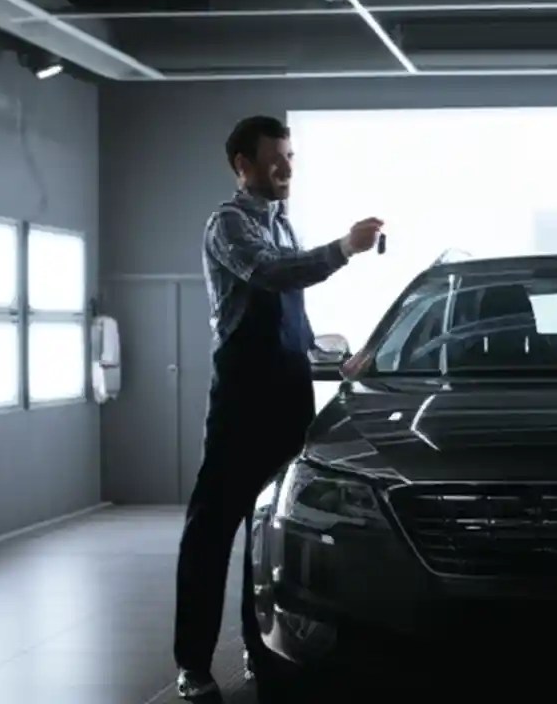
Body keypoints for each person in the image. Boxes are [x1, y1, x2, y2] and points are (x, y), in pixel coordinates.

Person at [174, 115, 384, 699]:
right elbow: (271, 276)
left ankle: (259, 648)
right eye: (275, 158)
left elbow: (297, 318)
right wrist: (344, 248)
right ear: (243, 164)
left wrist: (337, 362)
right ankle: (192, 664)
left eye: (290, 156)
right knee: (212, 534)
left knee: (267, 535)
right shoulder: (229, 224)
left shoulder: (284, 226)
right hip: (242, 401)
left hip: (290, 400)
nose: (286, 167)